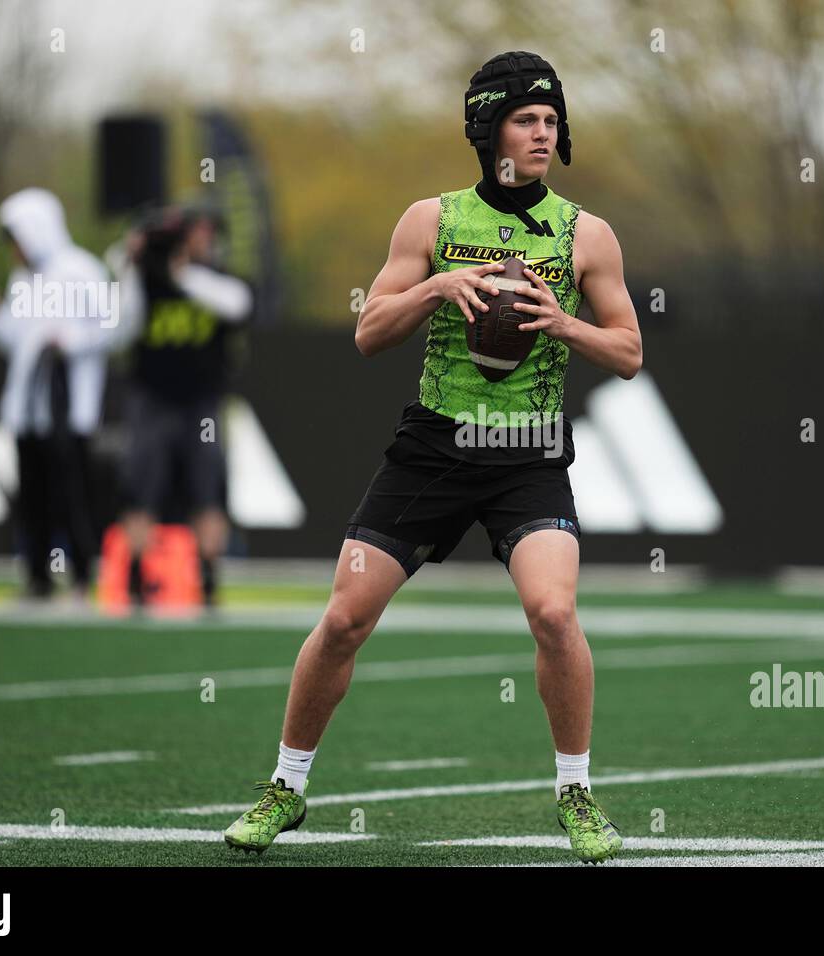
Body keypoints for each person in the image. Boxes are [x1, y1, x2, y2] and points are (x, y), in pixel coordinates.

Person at [223, 52, 642, 863]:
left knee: (554, 613)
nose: (544, 133)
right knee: (344, 618)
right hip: (434, 448)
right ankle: (286, 786)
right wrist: (436, 289)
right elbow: (369, 333)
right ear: (488, 129)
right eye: (528, 119)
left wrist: (564, 323)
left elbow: (626, 351)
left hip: (528, 451)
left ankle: (577, 794)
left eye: (552, 120)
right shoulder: (430, 221)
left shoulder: (587, 233)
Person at [108, 206, 253, 608]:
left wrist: (181, 274)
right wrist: (129, 266)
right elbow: (119, 329)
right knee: (141, 486)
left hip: (201, 400)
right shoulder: (146, 279)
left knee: (207, 488)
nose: (203, 240)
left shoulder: (212, 280)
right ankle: (136, 572)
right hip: (152, 398)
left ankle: (208, 574)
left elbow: (238, 305)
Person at [0, 188, 114, 602]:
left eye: (16, 237)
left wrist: (69, 341)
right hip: (28, 412)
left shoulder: (84, 270)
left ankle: (83, 576)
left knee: (73, 493)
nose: (13, 249)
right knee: (31, 496)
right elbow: (15, 342)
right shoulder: (22, 281)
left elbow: (112, 328)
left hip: (70, 410)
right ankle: (37, 577)